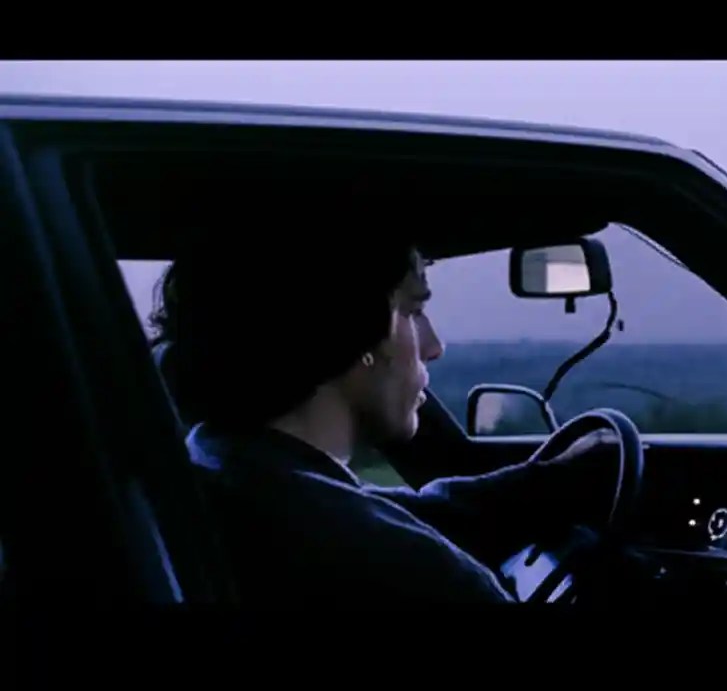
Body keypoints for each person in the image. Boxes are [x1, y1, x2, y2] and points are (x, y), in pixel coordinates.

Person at [149, 221, 617, 603]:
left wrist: (558, 480)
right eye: (412, 312)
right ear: (352, 330)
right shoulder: (400, 566)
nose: (433, 347)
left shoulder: (230, 468)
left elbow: (422, 512)